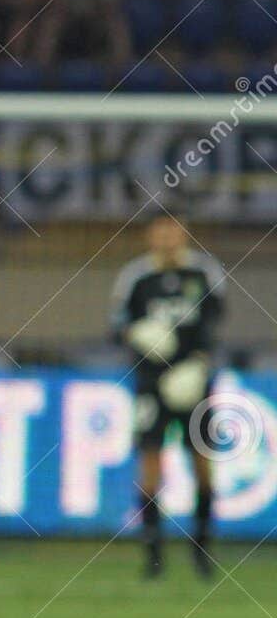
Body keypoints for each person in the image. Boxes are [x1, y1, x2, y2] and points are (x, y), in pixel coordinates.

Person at [110, 214, 225, 578]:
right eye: (160, 230)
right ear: (150, 236)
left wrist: (199, 364)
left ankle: (201, 552)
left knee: (203, 468)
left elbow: (214, 324)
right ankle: (153, 556)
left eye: (173, 229)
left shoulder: (204, 274)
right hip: (151, 382)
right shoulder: (135, 278)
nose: (167, 237)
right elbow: (116, 328)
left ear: (184, 232)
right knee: (150, 468)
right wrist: (137, 334)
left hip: (194, 380)